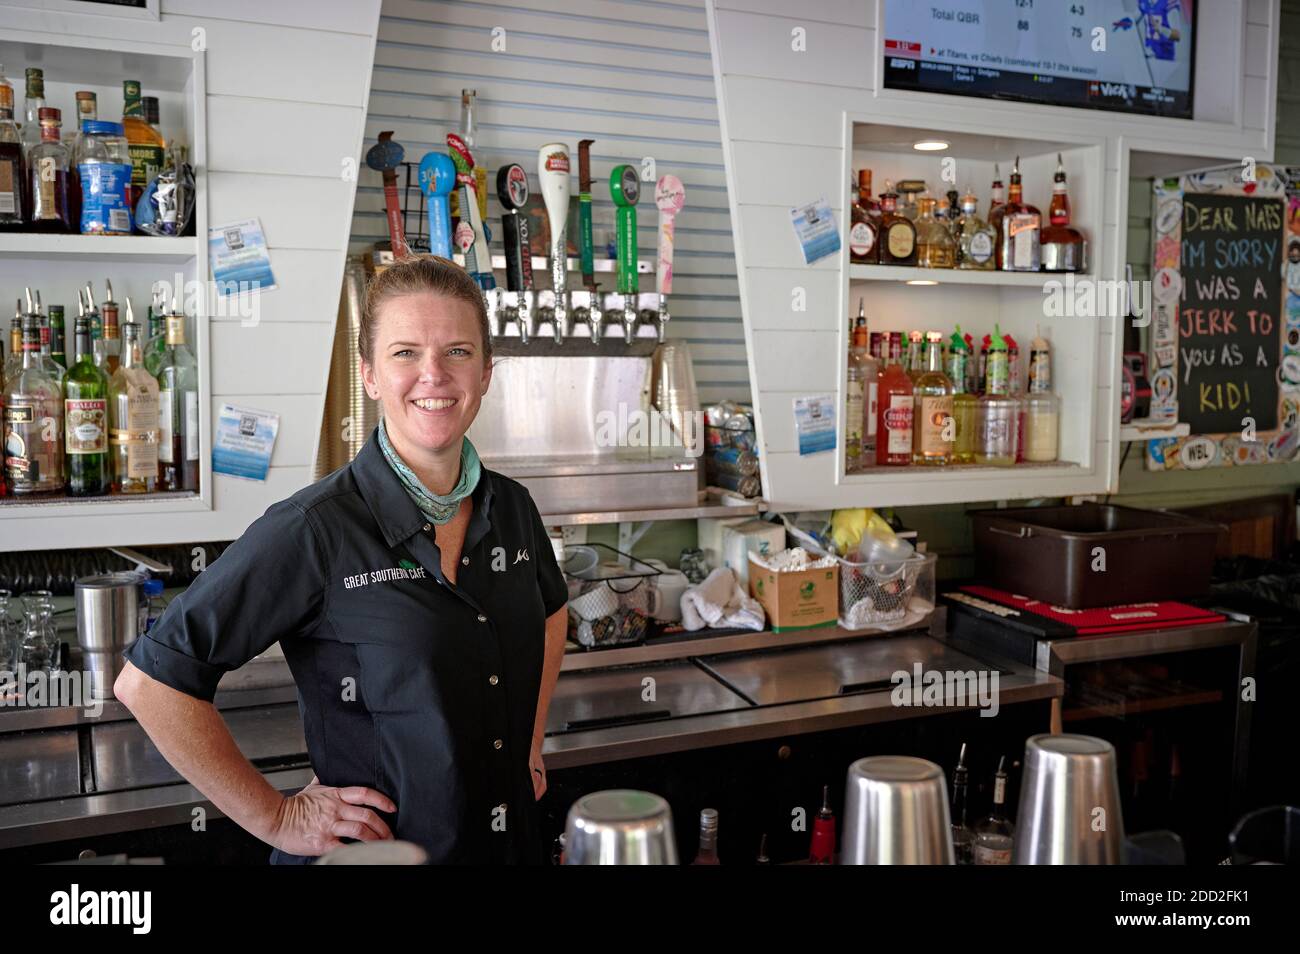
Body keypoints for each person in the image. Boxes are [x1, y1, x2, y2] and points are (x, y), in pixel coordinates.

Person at [116, 256, 569, 864]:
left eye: (458, 351)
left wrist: (529, 743)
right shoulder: (314, 529)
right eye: (405, 353)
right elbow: (150, 683)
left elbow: (551, 610)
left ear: (486, 372)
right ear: (370, 376)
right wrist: (277, 817)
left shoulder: (512, 507)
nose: (433, 375)